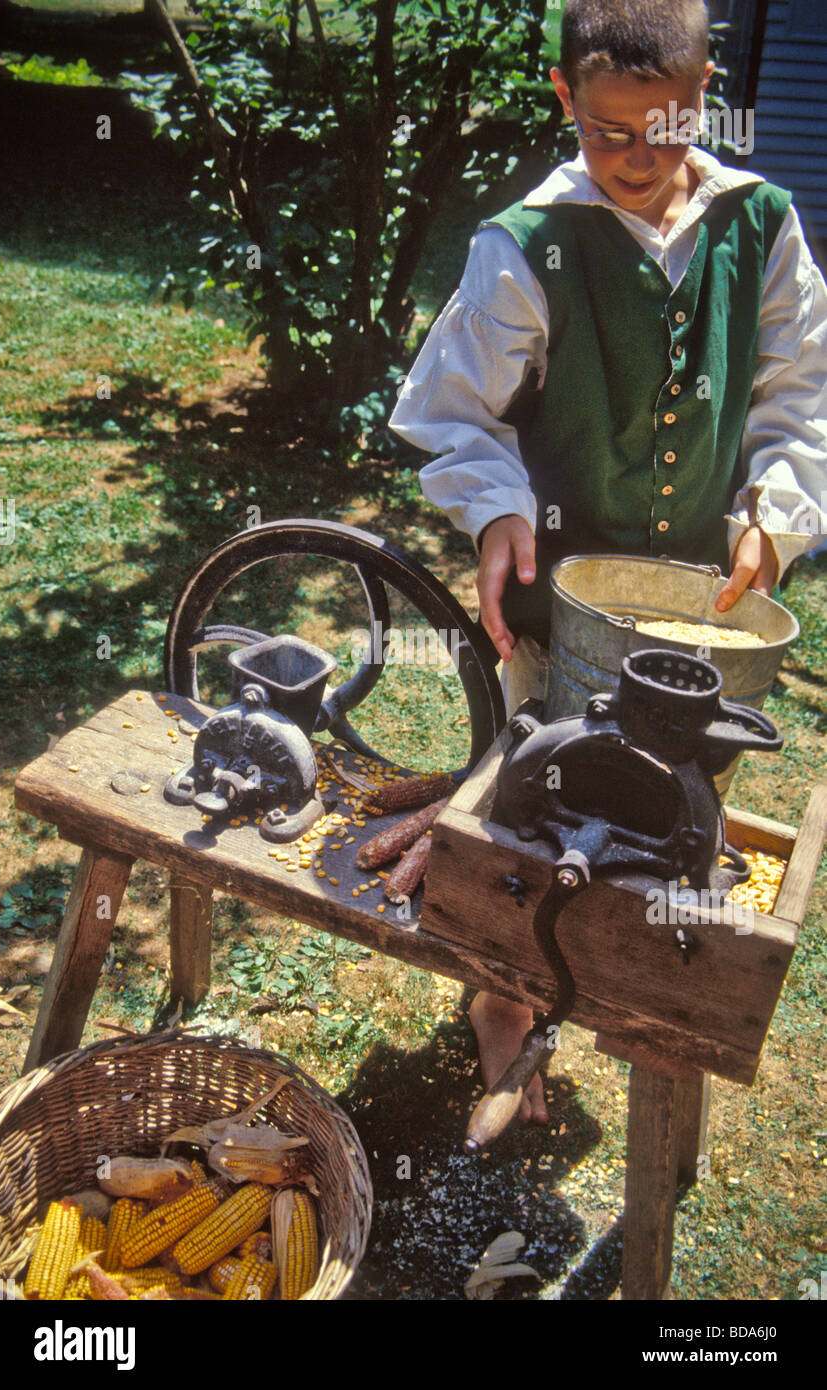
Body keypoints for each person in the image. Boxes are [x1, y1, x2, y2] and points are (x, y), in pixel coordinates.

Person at [388, 0, 827, 1124]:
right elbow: (454, 414)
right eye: (605, 130)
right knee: (532, 815)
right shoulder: (525, 244)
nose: (636, 159)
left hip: (702, 631)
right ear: (564, 102)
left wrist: (774, 513)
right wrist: (493, 513)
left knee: (669, 825)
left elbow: (797, 398)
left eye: (667, 127)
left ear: (708, 86)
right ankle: (504, 999)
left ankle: (641, 1000)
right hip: (562, 628)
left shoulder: (761, 225)